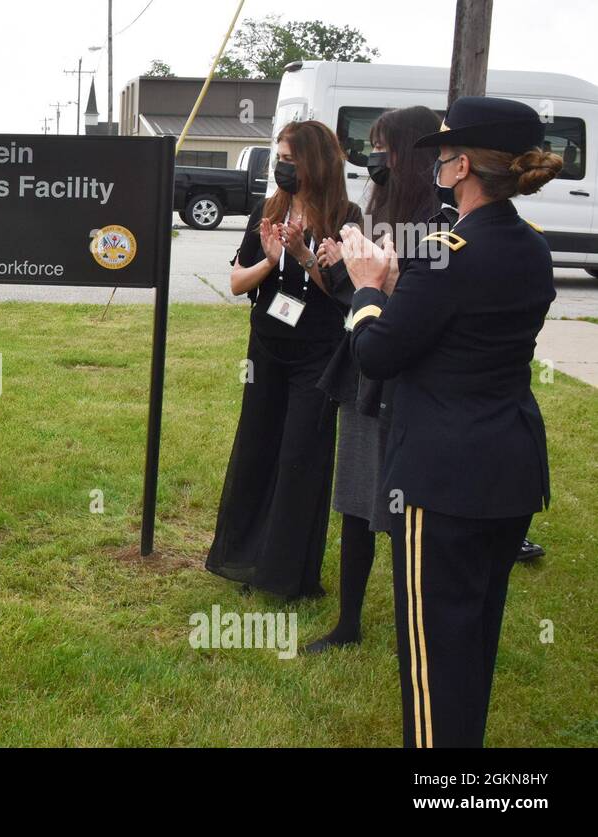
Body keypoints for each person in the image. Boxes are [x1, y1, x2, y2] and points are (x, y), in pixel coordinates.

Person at [342, 96, 562, 747]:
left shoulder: (445, 249)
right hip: (509, 468)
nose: (436, 167)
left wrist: (367, 288)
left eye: (441, 156)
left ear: (462, 164)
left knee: (434, 663)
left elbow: (377, 353)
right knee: (472, 644)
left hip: (441, 481)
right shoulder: (532, 247)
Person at [205, 120, 363, 599]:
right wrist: (273, 259)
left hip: (316, 353)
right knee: (257, 449)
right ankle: (245, 560)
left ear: (314, 161)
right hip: (267, 348)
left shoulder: (346, 217)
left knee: (300, 456)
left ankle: (286, 572)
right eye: (279, 157)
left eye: (290, 159)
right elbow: (237, 283)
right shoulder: (267, 209)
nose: (281, 166)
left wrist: (305, 255)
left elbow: (347, 296)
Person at [304, 106, 442, 653]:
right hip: (363, 369)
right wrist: (342, 267)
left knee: (405, 509)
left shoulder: (437, 222)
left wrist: (376, 278)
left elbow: (411, 306)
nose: (372, 157)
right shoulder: (376, 211)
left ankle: (419, 628)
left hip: (407, 380)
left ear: (407, 152)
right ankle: (348, 622)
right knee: (357, 500)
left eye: (382, 146)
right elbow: (357, 301)